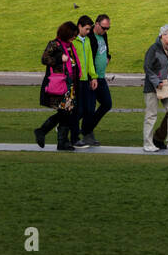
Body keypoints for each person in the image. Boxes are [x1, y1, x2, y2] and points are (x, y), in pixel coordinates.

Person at [35, 21, 81, 151]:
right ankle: (43, 132)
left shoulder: (70, 46)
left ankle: (61, 142)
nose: (74, 38)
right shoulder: (54, 44)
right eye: (73, 35)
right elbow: (44, 59)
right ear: (66, 33)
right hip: (60, 84)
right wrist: (60, 59)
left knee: (66, 113)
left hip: (70, 84)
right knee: (64, 113)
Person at [143, 25, 168, 152]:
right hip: (152, 87)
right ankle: (148, 143)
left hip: (166, 86)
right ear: (163, 35)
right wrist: (157, 82)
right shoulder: (153, 49)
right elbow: (147, 67)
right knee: (151, 115)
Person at [81, 13, 113, 144]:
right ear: (97, 24)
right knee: (89, 108)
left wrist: (108, 57)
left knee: (107, 104)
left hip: (100, 77)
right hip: (91, 78)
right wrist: (91, 77)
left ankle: (85, 130)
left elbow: (105, 49)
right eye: (104, 28)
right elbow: (86, 58)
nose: (105, 31)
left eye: (108, 28)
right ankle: (86, 133)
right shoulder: (89, 36)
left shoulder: (103, 35)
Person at [71, 15, 98, 148]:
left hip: (85, 80)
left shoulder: (86, 40)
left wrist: (93, 76)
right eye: (86, 29)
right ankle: (74, 138)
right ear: (79, 26)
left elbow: (90, 60)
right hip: (75, 80)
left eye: (89, 29)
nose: (88, 32)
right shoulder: (73, 41)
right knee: (78, 110)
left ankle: (75, 133)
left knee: (87, 109)